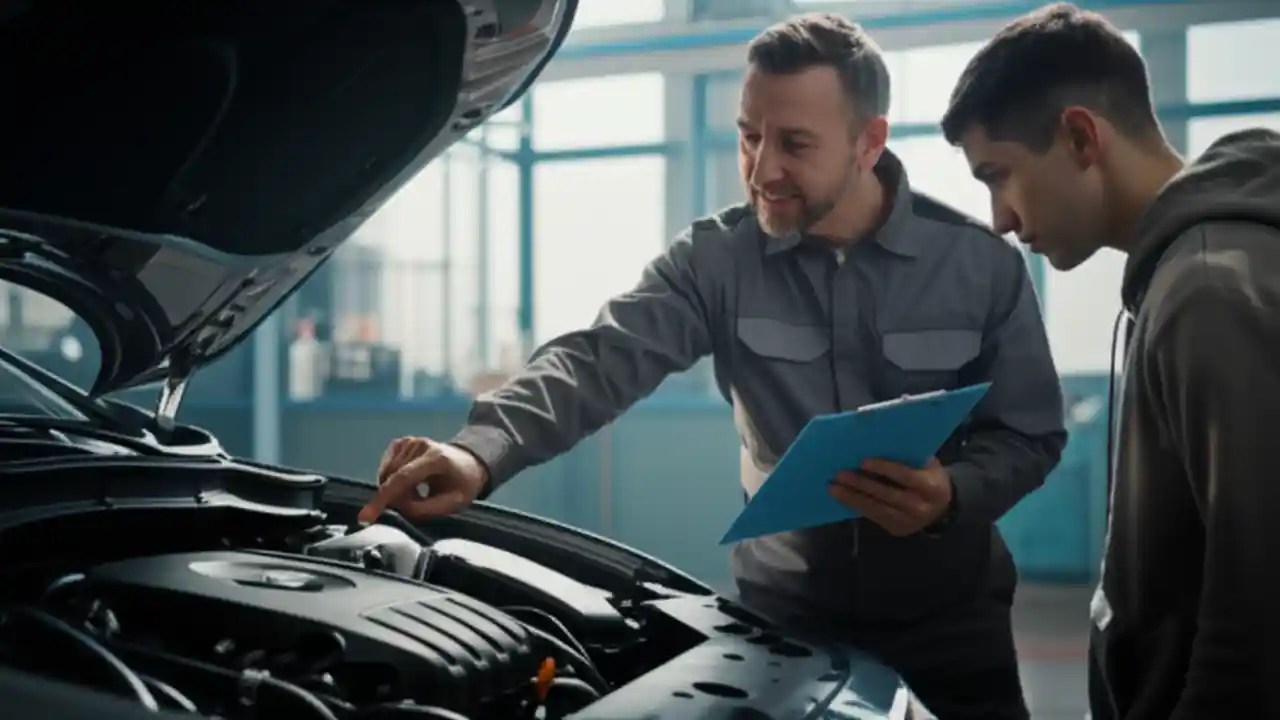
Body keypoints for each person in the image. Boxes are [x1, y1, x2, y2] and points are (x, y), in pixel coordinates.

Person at [362, 12, 1066, 718]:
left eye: (794, 144)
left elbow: (1030, 435)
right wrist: (478, 454)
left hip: (953, 630)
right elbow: (598, 359)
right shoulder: (715, 261)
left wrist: (953, 492)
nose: (762, 169)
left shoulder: (982, 267)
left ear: (868, 143)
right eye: (748, 135)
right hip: (785, 626)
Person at [940, 3, 1280, 718]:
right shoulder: (1179, 275)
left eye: (998, 175)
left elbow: (1257, 607)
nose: (999, 217)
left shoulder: (1208, 288)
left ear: (1079, 136)